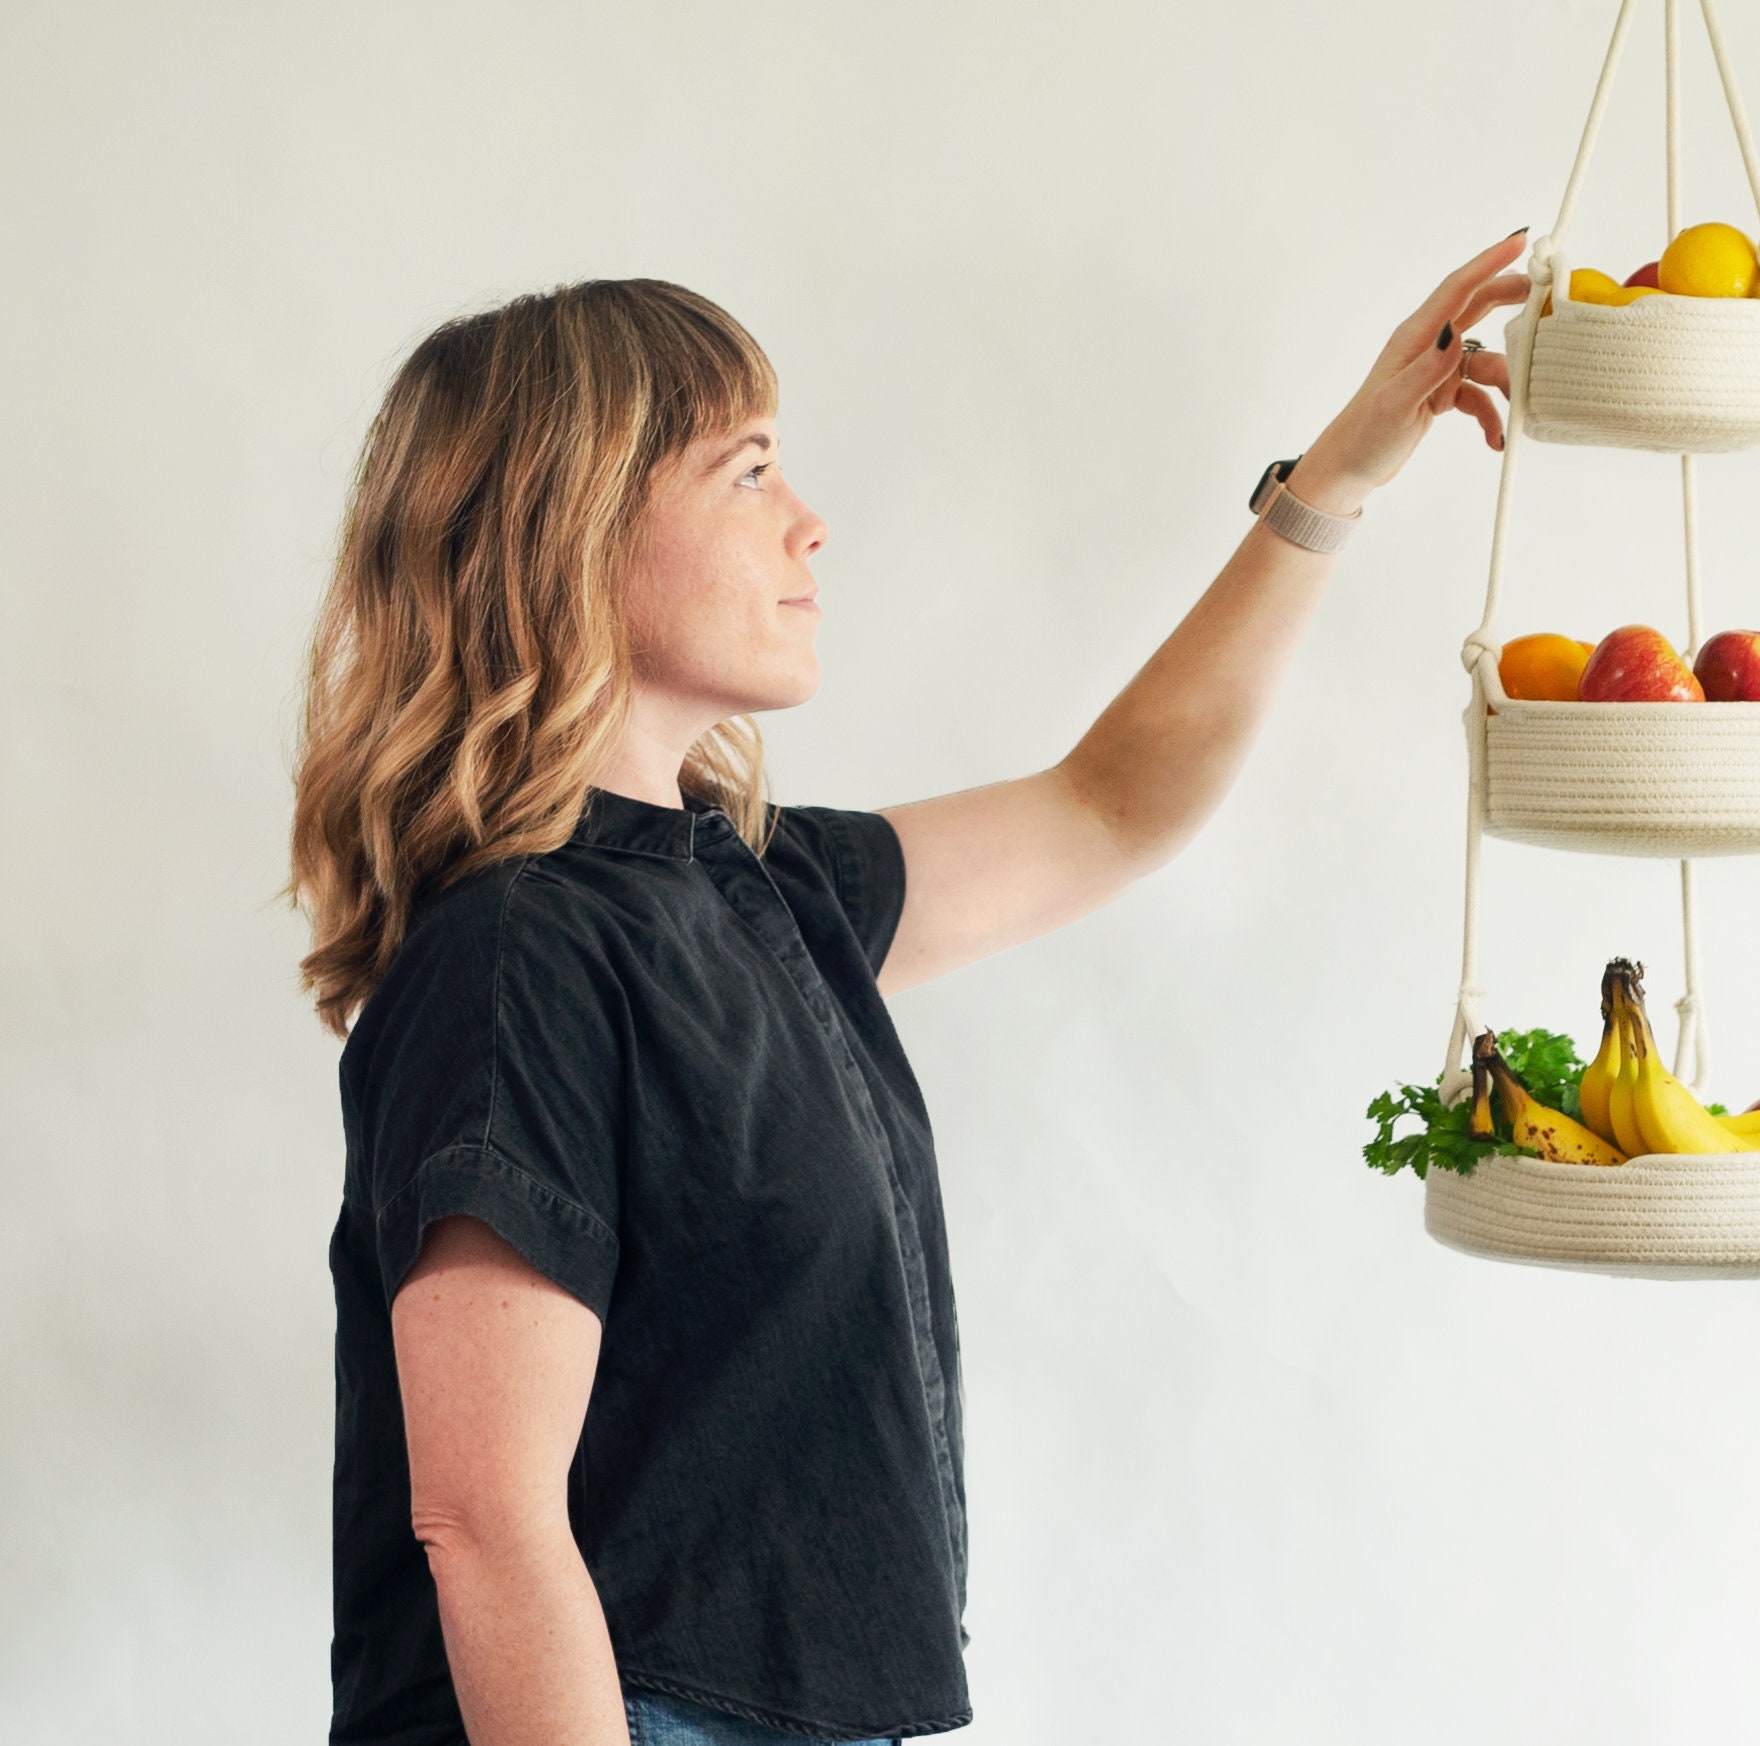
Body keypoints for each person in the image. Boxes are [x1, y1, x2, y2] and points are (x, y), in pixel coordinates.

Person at [289, 231, 1529, 1746]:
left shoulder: (757, 889)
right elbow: (485, 1520)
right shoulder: (514, 957)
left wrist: (1333, 481)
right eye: (748, 472)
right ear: (574, 533)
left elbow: (1112, 805)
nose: (809, 522)